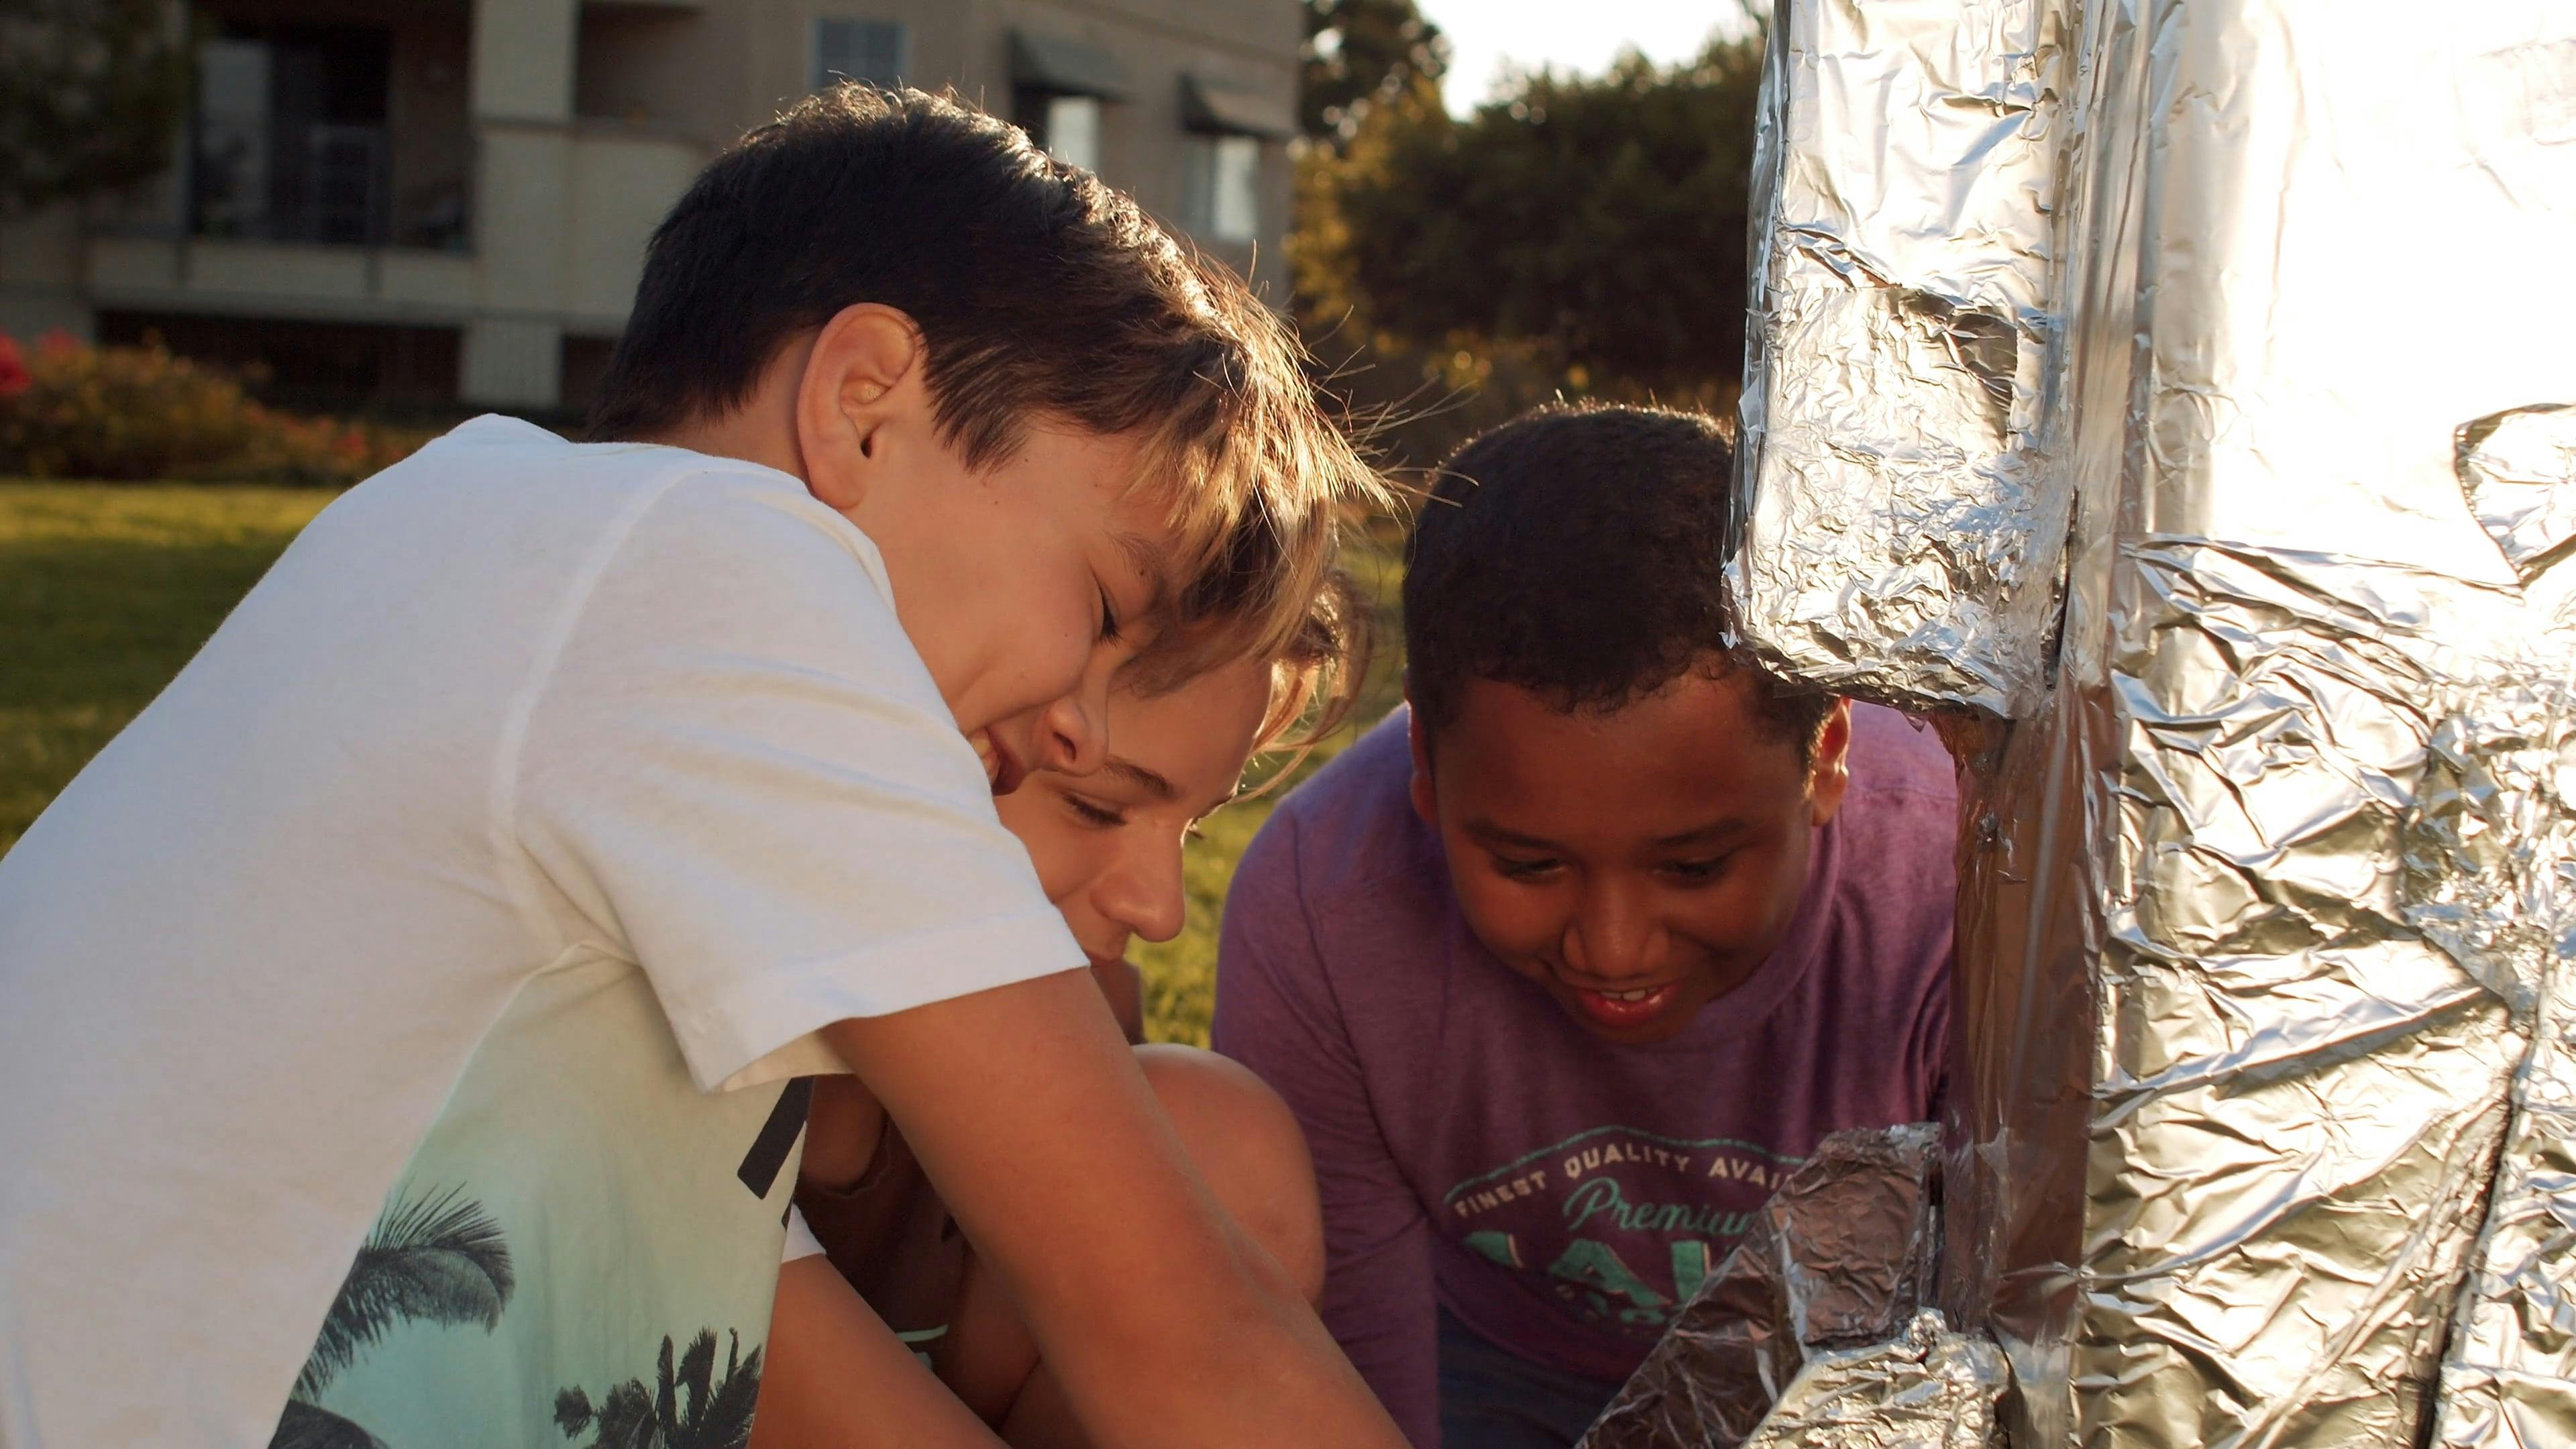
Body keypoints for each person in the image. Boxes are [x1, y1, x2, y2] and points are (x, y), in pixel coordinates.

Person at [0, 86, 1405, 1449]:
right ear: (863, 405)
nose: (1064, 716)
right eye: (1100, 603)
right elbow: (1183, 1333)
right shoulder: (719, 566)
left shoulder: (501, 545)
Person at [1212, 405, 1957, 1448]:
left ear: (1825, 758)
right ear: (1425, 769)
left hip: (1859, 1384)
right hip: (1490, 1367)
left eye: (1695, 866)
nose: (1614, 949)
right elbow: (1355, 1369)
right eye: (1527, 865)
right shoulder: (1323, 906)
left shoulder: (1957, 889)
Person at [755, 576, 1367, 1449]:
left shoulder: (1079, 993)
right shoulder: (653, 1038)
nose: (1162, 911)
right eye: (1097, 806)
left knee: (1222, 1141)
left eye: (1188, 827)